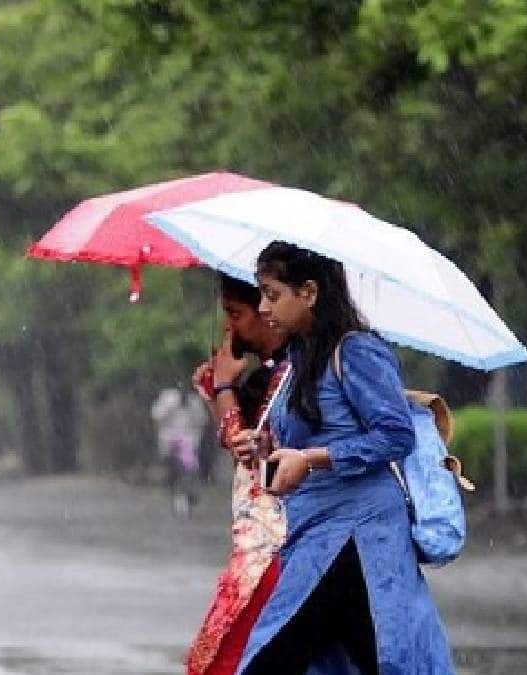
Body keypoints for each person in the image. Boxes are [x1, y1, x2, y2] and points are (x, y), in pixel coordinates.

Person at [237, 241, 455, 675]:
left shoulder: (355, 350)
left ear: (310, 292)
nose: (263, 306)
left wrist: (314, 458)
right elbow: (308, 437)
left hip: (355, 541)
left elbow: (395, 435)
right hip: (316, 534)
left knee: (269, 660)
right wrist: (266, 450)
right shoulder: (299, 361)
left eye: (273, 294)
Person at [185, 274, 289, 675]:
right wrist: (220, 393)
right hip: (256, 548)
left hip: (276, 549)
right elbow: (241, 448)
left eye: (236, 314)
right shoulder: (270, 373)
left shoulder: (292, 375)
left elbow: (251, 455)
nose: (230, 327)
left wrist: (225, 385)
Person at [150, 385, 209, 516]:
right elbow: (157, 417)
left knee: (188, 471)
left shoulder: (194, 402)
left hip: (189, 443)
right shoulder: (168, 399)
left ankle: (187, 495)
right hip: (170, 440)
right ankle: (177, 495)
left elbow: (202, 422)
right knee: (173, 472)